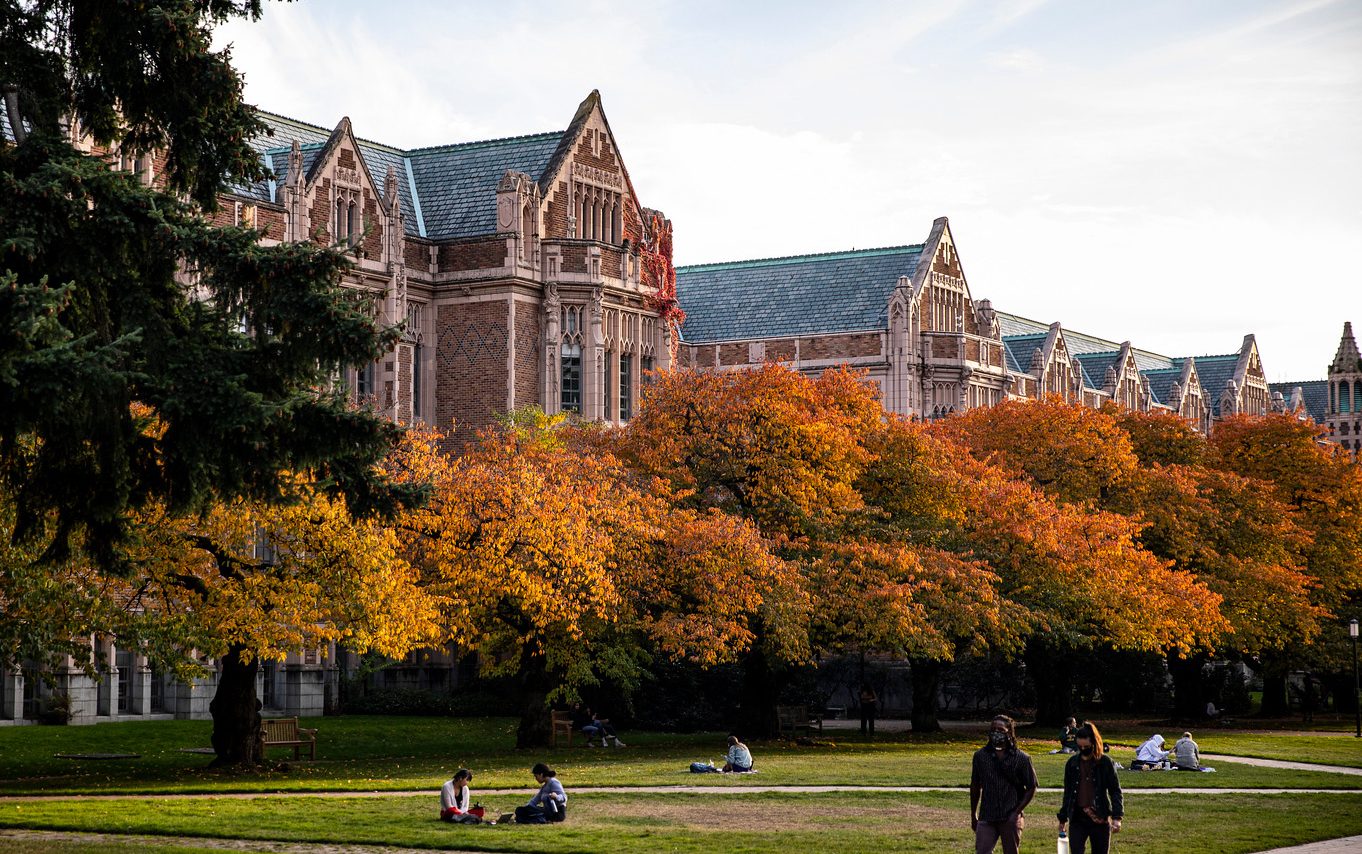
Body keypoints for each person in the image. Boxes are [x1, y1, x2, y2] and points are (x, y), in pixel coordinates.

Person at [969, 714, 1038, 854]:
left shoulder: (1021, 758)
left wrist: (1017, 812)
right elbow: (975, 785)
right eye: (993, 729)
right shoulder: (980, 756)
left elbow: (1032, 786)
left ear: (1009, 732)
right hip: (987, 815)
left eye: (1000, 730)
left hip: (1010, 814)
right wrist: (973, 814)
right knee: (982, 851)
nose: (996, 733)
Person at [1057, 722, 1124, 854]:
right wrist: (1063, 818)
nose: (1083, 749)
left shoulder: (1105, 763)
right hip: (1078, 817)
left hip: (1099, 816)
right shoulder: (1072, 763)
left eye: (1086, 747)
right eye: (1080, 746)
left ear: (1094, 743)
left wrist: (1117, 817)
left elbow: (1115, 790)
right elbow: (1068, 793)